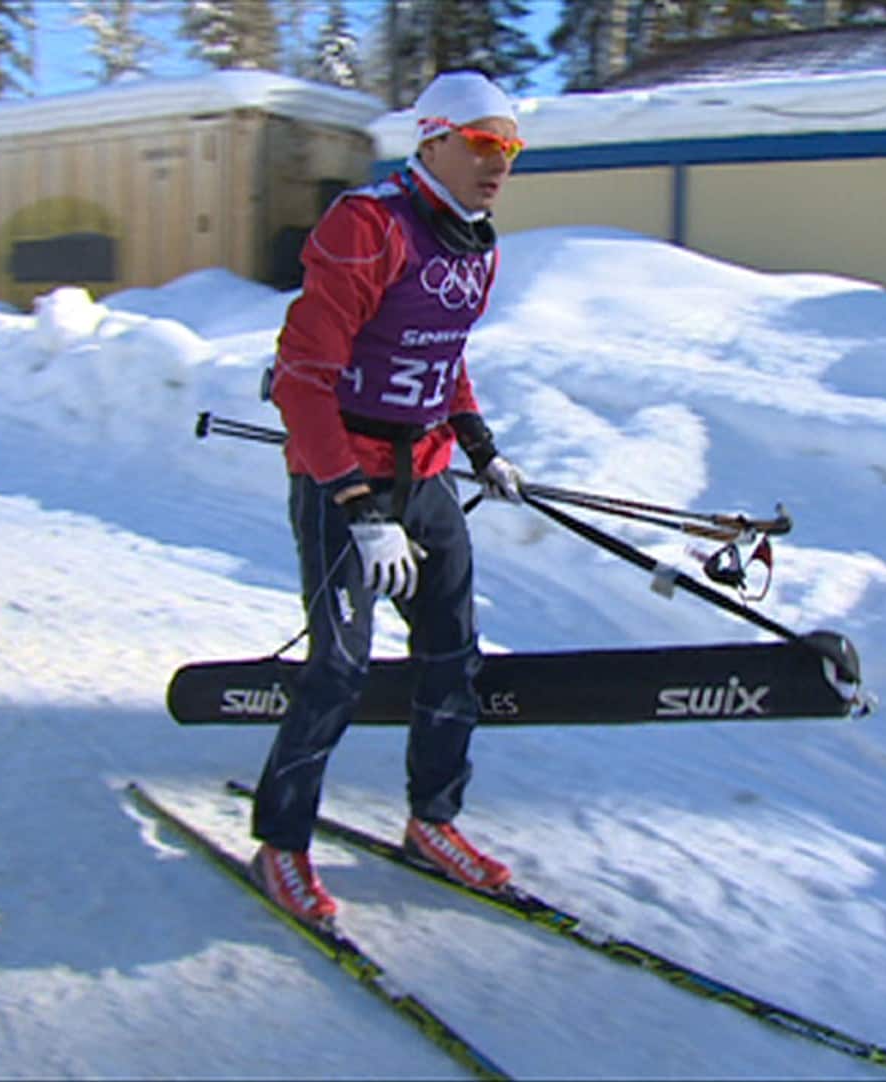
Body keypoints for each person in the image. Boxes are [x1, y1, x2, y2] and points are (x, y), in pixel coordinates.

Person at [249, 70, 530, 926]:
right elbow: (302, 381)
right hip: (344, 470)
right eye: (484, 144)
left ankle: (432, 823)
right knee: (338, 666)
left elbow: (439, 349)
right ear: (434, 139)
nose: (499, 164)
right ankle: (282, 845)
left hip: (428, 469)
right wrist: (357, 508)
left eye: (510, 148)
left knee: (454, 654)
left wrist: (478, 440)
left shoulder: (475, 241)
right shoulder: (368, 226)